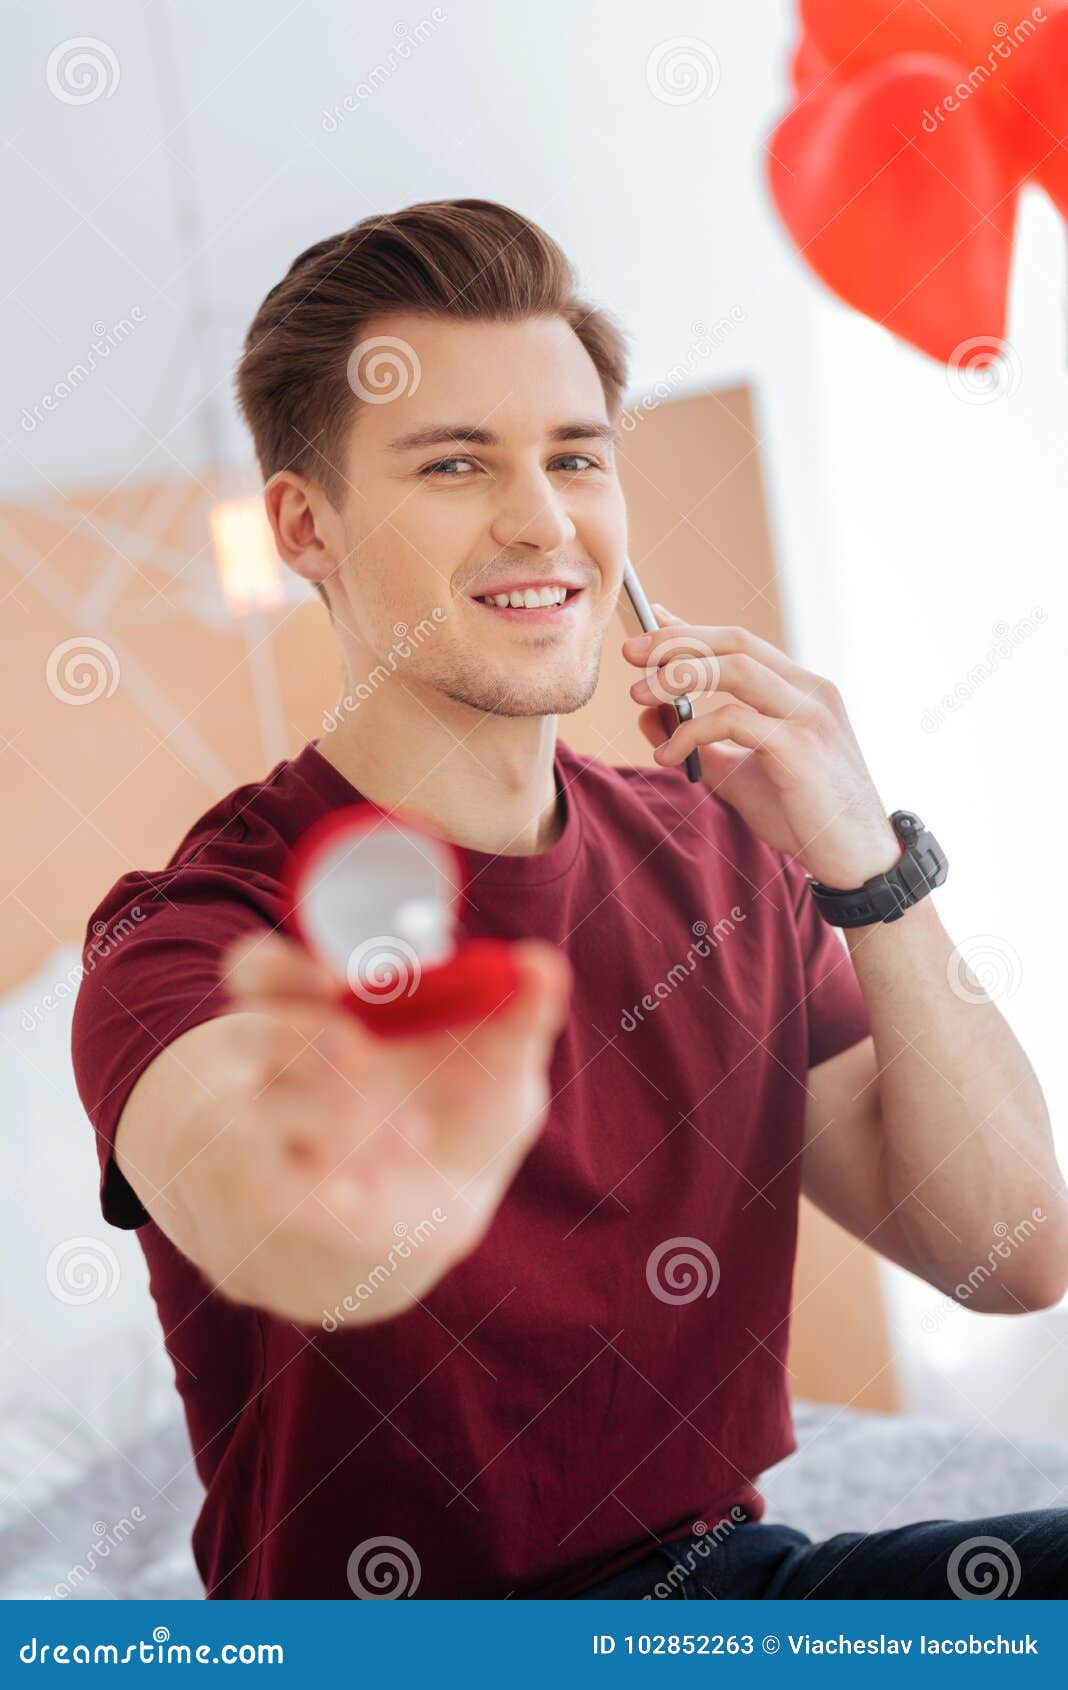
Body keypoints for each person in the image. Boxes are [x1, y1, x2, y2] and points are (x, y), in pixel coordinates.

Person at [71, 198, 1068, 1601]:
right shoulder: (191, 933)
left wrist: (867, 863)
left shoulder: (731, 858)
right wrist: (377, 1174)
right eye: (457, 463)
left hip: (718, 1593)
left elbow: (1016, 1255)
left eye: (576, 456)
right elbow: (262, 1206)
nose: (541, 519)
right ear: (307, 525)